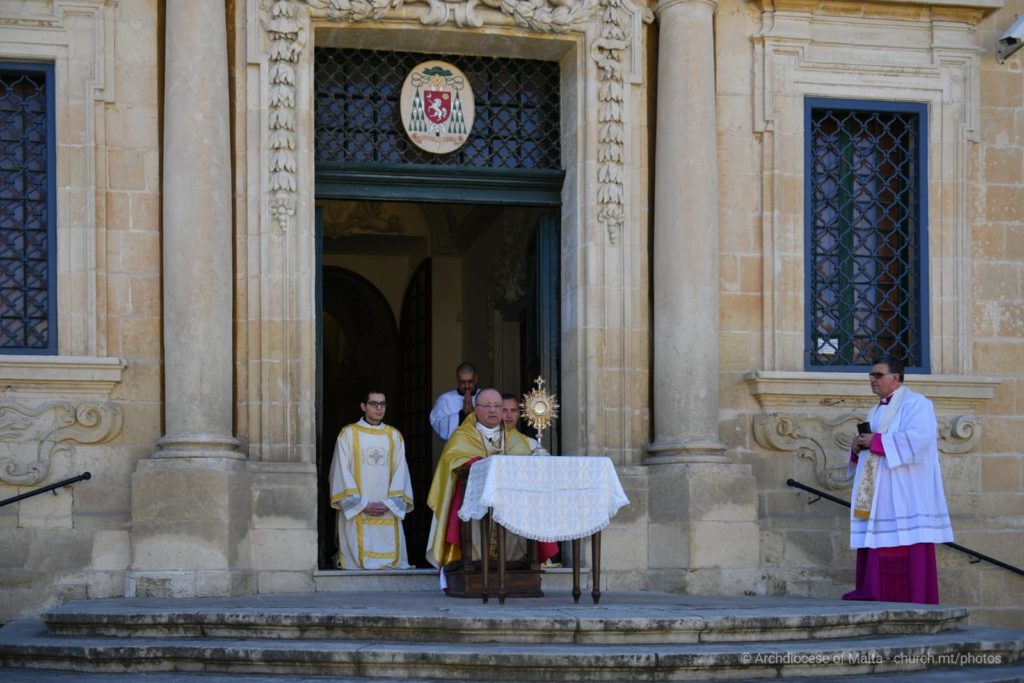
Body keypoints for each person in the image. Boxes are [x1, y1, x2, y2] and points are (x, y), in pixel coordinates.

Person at [843, 355, 954, 604]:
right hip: (881, 492)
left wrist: (876, 441)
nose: (873, 379)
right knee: (877, 540)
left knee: (905, 545)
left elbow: (919, 440)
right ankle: (873, 590)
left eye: (878, 375)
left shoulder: (917, 404)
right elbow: (872, 447)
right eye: (871, 375)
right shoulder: (875, 410)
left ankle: (909, 597)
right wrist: (857, 447)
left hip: (906, 490)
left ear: (896, 377)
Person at [425, 387, 538, 571]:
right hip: (475, 502)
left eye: (497, 406)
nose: (493, 410)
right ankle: (473, 563)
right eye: (487, 405)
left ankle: (515, 564)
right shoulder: (462, 434)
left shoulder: (514, 438)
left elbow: (525, 461)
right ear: (476, 409)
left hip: (509, 503)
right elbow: (452, 460)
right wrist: (475, 463)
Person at [328, 389, 414, 570]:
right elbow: (340, 471)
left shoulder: (394, 436)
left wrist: (390, 504)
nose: (379, 408)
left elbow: (401, 473)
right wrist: (361, 504)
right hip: (359, 509)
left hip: (387, 507)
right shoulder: (348, 434)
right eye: (374, 404)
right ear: (363, 407)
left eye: (382, 404)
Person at [429, 362, 479, 441]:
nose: (466, 386)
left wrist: (474, 413)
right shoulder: (445, 400)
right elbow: (436, 422)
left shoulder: (485, 396)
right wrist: (462, 414)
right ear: (457, 380)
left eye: (470, 381)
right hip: (456, 449)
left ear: (476, 378)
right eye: (463, 382)